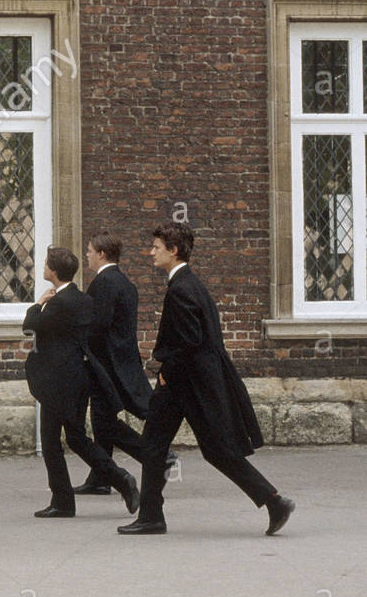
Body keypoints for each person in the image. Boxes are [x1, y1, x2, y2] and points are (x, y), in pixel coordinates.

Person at [119, 222, 294, 536]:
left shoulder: (182, 289)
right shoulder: (190, 284)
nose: (151, 252)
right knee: (182, 447)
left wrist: (165, 376)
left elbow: (189, 341)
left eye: (156, 247)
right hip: (194, 383)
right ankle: (271, 500)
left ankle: (153, 517)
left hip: (184, 384)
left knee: (163, 446)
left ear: (173, 251)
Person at [24, 246, 140, 518]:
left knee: (51, 442)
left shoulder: (58, 303)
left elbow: (30, 327)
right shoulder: (83, 300)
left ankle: (64, 501)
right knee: (76, 439)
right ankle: (121, 479)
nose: (43, 267)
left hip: (57, 381)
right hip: (79, 377)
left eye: (45, 264)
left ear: (53, 271)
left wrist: (38, 302)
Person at [75, 233, 176, 495]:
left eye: (89, 251)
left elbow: (98, 327)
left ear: (102, 254)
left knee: (105, 423)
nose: (86, 255)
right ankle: (100, 477)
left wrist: (82, 349)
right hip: (121, 362)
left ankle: (156, 457)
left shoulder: (104, 283)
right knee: (102, 420)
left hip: (105, 366)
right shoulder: (124, 283)